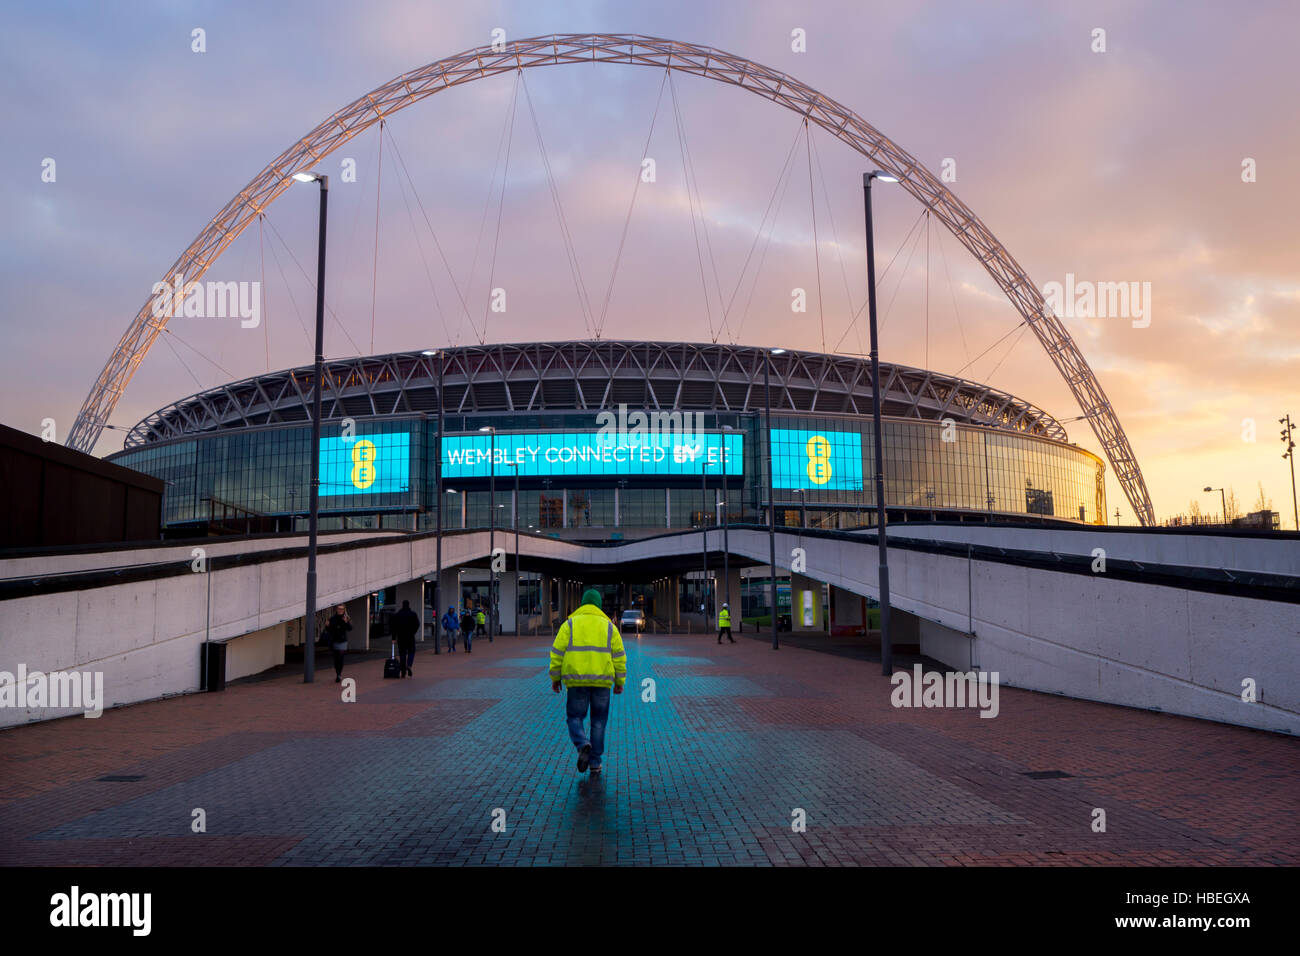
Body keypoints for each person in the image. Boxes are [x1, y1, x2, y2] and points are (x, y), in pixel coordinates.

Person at [549, 588, 626, 776]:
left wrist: (555, 678)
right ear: (599, 605)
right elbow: (619, 657)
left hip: (576, 681)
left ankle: (582, 743)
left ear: (582, 604)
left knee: (574, 717)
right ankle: (595, 763)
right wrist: (619, 681)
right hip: (602, 682)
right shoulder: (610, 627)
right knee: (599, 721)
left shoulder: (570, 624)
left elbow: (557, 653)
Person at [391, 600, 420, 677]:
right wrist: (413, 632)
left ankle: (403, 670)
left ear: (402, 605)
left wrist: (393, 637)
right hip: (410, 636)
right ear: (409, 605)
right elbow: (417, 624)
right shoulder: (413, 614)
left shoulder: (397, 615)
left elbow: (394, 627)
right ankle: (409, 665)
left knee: (402, 653)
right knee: (411, 651)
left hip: (401, 637)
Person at [325, 604, 352, 683]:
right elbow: (329, 630)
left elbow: (350, 629)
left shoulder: (346, 618)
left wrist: (346, 622)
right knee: (336, 659)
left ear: (344, 610)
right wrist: (327, 626)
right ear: (336, 609)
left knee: (340, 657)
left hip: (342, 641)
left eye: (342, 609)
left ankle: (339, 674)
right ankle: (338, 673)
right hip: (334, 640)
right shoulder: (332, 618)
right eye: (339, 609)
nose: (340, 610)